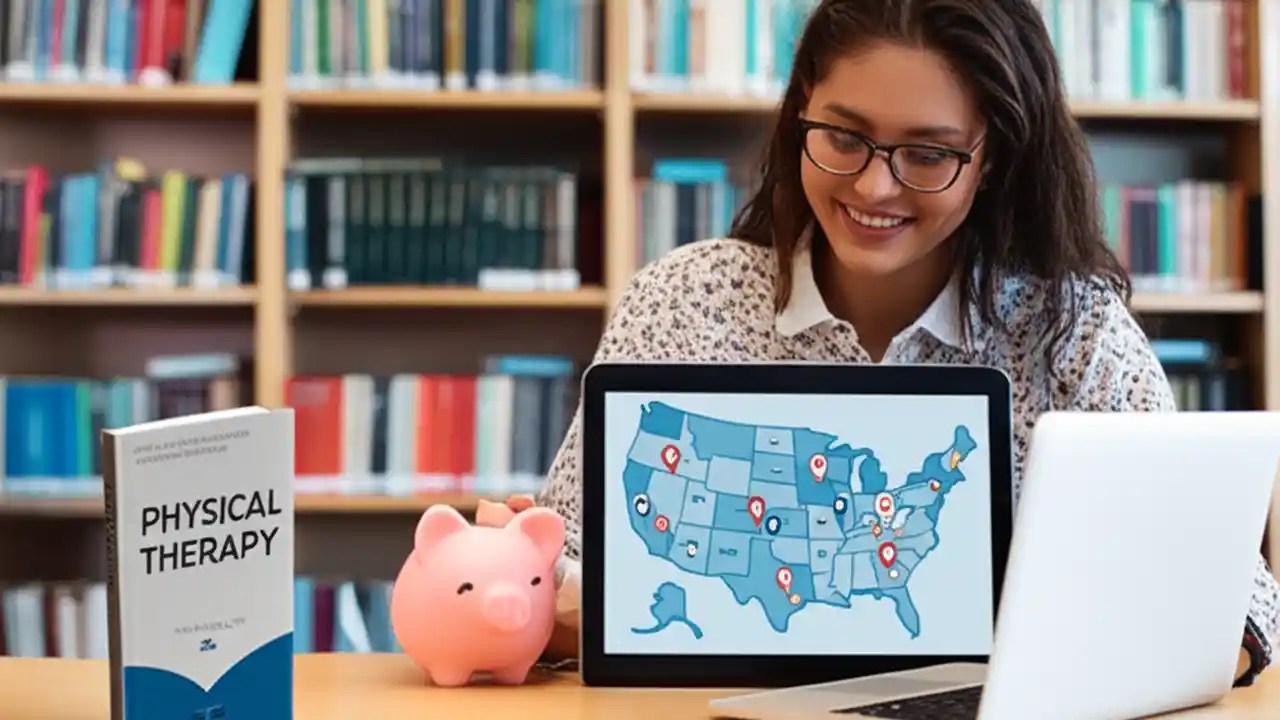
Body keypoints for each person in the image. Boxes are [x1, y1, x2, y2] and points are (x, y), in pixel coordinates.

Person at [480, 0, 1278, 683]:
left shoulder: (1075, 331)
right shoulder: (684, 301)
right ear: (800, 117)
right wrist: (522, 589)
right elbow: (570, 566)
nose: (873, 186)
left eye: (927, 154)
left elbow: (1245, 607)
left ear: (991, 157)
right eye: (845, 137)